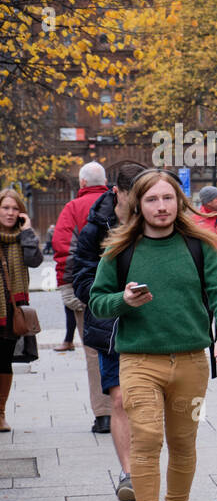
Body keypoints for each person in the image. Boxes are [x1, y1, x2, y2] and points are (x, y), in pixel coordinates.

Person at [89, 169, 217, 501]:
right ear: (138, 203)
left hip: (191, 362)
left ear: (180, 201)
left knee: (183, 440)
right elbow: (97, 302)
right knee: (148, 437)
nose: (161, 206)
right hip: (139, 360)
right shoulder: (121, 250)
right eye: (152, 199)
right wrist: (124, 299)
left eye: (168, 198)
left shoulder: (200, 245)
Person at [71, 160, 148, 501]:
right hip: (111, 325)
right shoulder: (95, 228)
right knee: (119, 399)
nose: (142, 206)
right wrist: (116, 298)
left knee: (147, 403)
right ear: (117, 192)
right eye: (136, 198)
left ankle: (148, 466)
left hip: (152, 324)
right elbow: (81, 279)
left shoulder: (157, 222)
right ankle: (129, 474)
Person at [53, 161, 113, 432]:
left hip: (85, 287)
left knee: (93, 350)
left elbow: (63, 246)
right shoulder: (117, 201)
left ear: (82, 183)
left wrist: (68, 284)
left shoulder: (72, 208)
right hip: (120, 287)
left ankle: (104, 415)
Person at [0, 189, 46, 432]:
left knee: (4, 360)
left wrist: (27, 230)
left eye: (14, 208)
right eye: (5, 208)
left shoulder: (23, 237)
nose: (10, 213)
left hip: (12, 309)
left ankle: (0, 413)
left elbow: (35, 261)